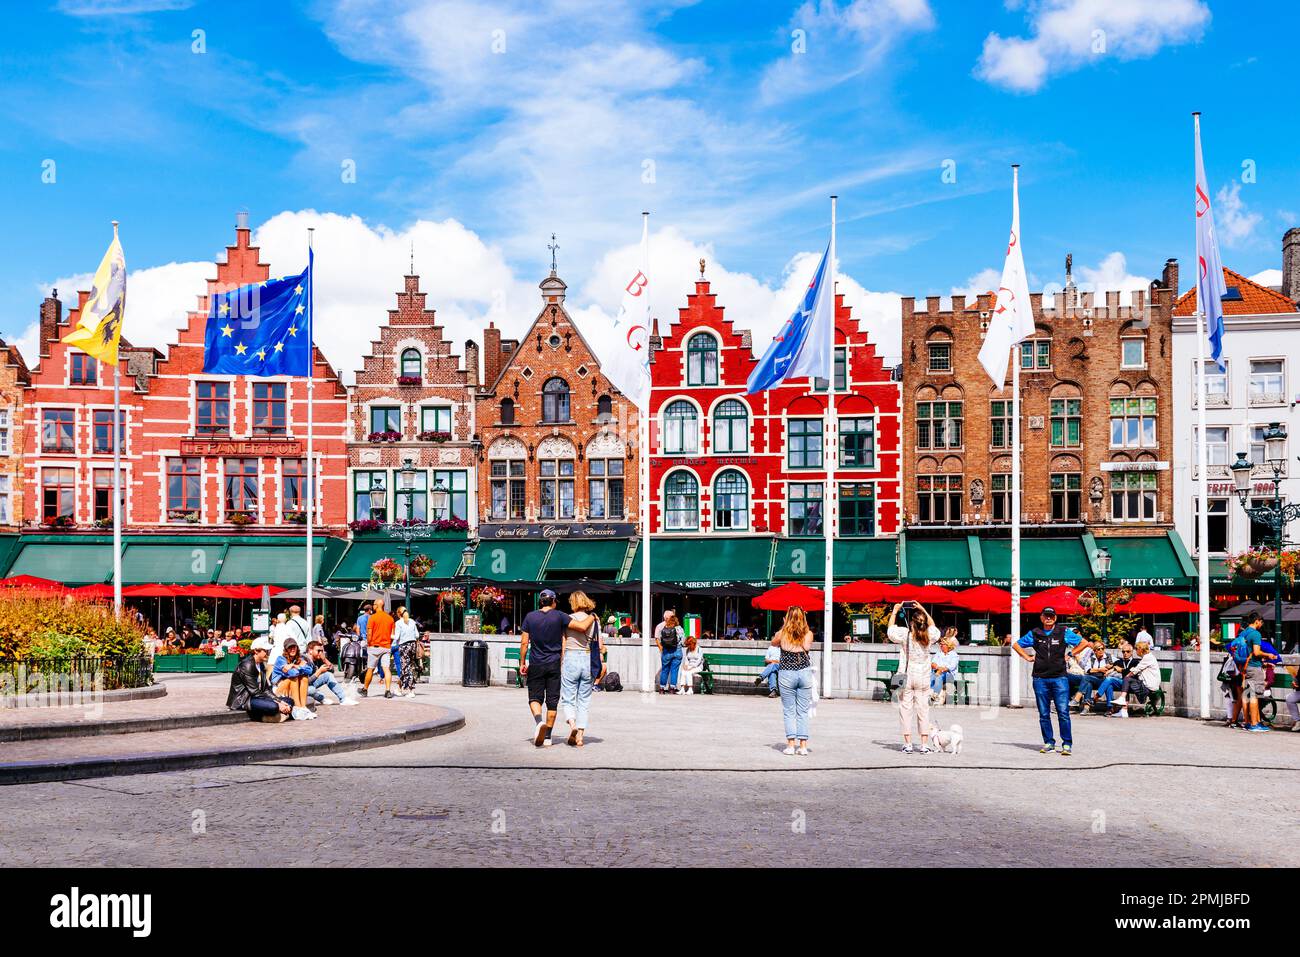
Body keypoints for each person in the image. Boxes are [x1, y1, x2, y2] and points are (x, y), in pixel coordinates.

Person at [1011, 607, 1083, 755]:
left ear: (1055, 618)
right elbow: (1016, 645)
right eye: (1046, 616)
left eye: (1051, 616)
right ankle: (1049, 742)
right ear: (1041, 617)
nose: (1048, 618)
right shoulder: (1035, 633)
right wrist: (1027, 657)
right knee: (1044, 713)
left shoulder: (1063, 632)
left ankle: (1067, 744)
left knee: (1063, 712)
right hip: (1040, 678)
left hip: (1060, 678)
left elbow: (1084, 643)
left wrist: (1070, 654)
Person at [886, 601, 939, 754]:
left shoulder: (905, 634)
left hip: (908, 674)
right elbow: (933, 626)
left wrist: (895, 611)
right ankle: (924, 744)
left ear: (912, 623)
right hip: (923, 675)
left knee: (905, 709)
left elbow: (890, 631)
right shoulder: (930, 635)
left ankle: (908, 743)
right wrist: (923, 609)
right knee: (923, 709)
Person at [520, 589, 570, 747]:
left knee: (534, 698)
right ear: (554, 601)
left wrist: (522, 662)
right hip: (554, 663)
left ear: (540, 601)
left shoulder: (530, 617)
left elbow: (524, 643)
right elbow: (579, 627)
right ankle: (548, 736)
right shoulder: (560, 616)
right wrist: (591, 618)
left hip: (536, 663)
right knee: (553, 701)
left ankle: (539, 722)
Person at [771, 606, 815, 755]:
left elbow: (773, 643)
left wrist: (785, 626)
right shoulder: (808, 633)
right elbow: (806, 646)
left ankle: (790, 745)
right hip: (804, 673)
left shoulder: (782, 633)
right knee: (802, 711)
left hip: (786, 673)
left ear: (787, 618)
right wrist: (804, 625)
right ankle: (803, 746)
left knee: (789, 711)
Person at [558, 590, 600, 746]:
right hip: (587, 658)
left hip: (571, 657)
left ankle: (573, 725)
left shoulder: (567, 619)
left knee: (568, 698)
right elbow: (599, 644)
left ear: (573, 603)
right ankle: (580, 736)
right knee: (584, 700)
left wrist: (561, 661)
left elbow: (563, 642)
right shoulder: (594, 620)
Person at [226, 637, 293, 720]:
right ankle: (270, 716)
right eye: (265, 651)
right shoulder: (247, 665)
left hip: (258, 697)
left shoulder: (260, 664)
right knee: (274, 706)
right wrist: (277, 703)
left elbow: (266, 689)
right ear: (256, 651)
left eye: (268, 651)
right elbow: (255, 692)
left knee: (289, 701)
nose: (268, 653)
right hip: (245, 700)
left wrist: (280, 701)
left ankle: (276, 715)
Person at [1233, 613, 1272, 732]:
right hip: (1254, 666)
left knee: (1246, 694)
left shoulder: (1243, 633)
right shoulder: (1256, 634)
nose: (1261, 625)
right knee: (1255, 695)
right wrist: (1268, 655)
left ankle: (1247, 722)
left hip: (1244, 667)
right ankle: (1255, 724)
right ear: (1257, 621)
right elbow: (1256, 652)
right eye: (1261, 622)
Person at [1106, 639, 1161, 718]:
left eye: (1136, 649)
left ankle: (1122, 700)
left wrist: (1125, 674)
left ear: (1141, 650)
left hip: (1148, 687)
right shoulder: (1149, 657)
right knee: (1127, 681)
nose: (1136, 651)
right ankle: (1123, 711)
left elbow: (1135, 670)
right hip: (1149, 685)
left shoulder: (1147, 658)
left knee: (1127, 679)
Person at [271, 639, 316, 720]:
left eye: (294, 647)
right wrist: (300, 667)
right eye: (290, 647)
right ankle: (298, 708)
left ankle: (303, 707)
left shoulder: (299, 659)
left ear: (297, 647)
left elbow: (309, 670)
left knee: (304, 678)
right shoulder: (280, 659)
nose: (292, 649)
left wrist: (294, 666)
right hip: (278, 690)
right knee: (294, 678)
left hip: (291, 688)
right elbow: (293, 674)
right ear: (286, 650)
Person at [360, 598, 396, 698]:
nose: (373, 607)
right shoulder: (390, 618)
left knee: (370, 669)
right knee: (386, 669)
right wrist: (388, 643)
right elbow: (393, 636)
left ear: (377, 605)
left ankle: (365, 689)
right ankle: (388, 690)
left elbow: (369, 634)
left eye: (374, 605)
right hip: (386, 647)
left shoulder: (372, 618)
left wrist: (369, 644)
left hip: (374, 647)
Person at [306, 639, 356, 706]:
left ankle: (343, 699)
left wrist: (324, 660)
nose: (320, 653)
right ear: (310, 651)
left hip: (310, 684)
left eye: (322, 651)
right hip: (301, 688)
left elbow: (332, 671)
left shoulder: (317, 659)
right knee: (311, 690)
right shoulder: (304, 660)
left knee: (327, 675)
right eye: (318, 651)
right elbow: (305, 682)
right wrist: (319, 672)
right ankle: (321, 698)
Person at [1071, 637, 1112, 711]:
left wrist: (1108, 669)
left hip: (1104, 680)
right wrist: (1100, 669)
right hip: (1094, 679)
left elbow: (1113, 665)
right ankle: (1086, 707)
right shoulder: (1091, 658)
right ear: (1095, 651)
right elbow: (1088, 670)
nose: (1101, 651)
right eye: (1098, 649)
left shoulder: (1108, 656)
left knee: (1086, 678)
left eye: (1102, 648)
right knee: (1088, 682)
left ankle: (1077, 699)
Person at [394, 606, 421, 698]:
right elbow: (417, 635)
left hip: (404, 646)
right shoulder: (412, 621)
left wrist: (389, 635)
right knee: (406, 667)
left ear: (398, 614)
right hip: (412, 645)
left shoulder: (398, 623)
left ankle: (411, 690)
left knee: (406, 668)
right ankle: (399, 689)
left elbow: (397, 637)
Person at [655, 611, 684, 693]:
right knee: (674, 670)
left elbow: (660, 640)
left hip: (666, 651)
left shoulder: (664, 628)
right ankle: (672, 688)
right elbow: (683, 641)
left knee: (664, 670)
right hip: (677, 651)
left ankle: (662, 689)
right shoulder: (679, 629)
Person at [929, 629, 960, 705]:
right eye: (940, 644)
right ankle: (929, 694)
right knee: (931, 676)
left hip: (949, 675)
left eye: (942, 644)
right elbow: (932, 664)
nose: (940, 645)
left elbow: (950, 667)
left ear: (948, 645)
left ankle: (935, 694)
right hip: (937, 672)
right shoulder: (939, 653)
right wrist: (937, 668)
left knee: (939, 675)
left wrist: (939, 669)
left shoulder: (954, 655)